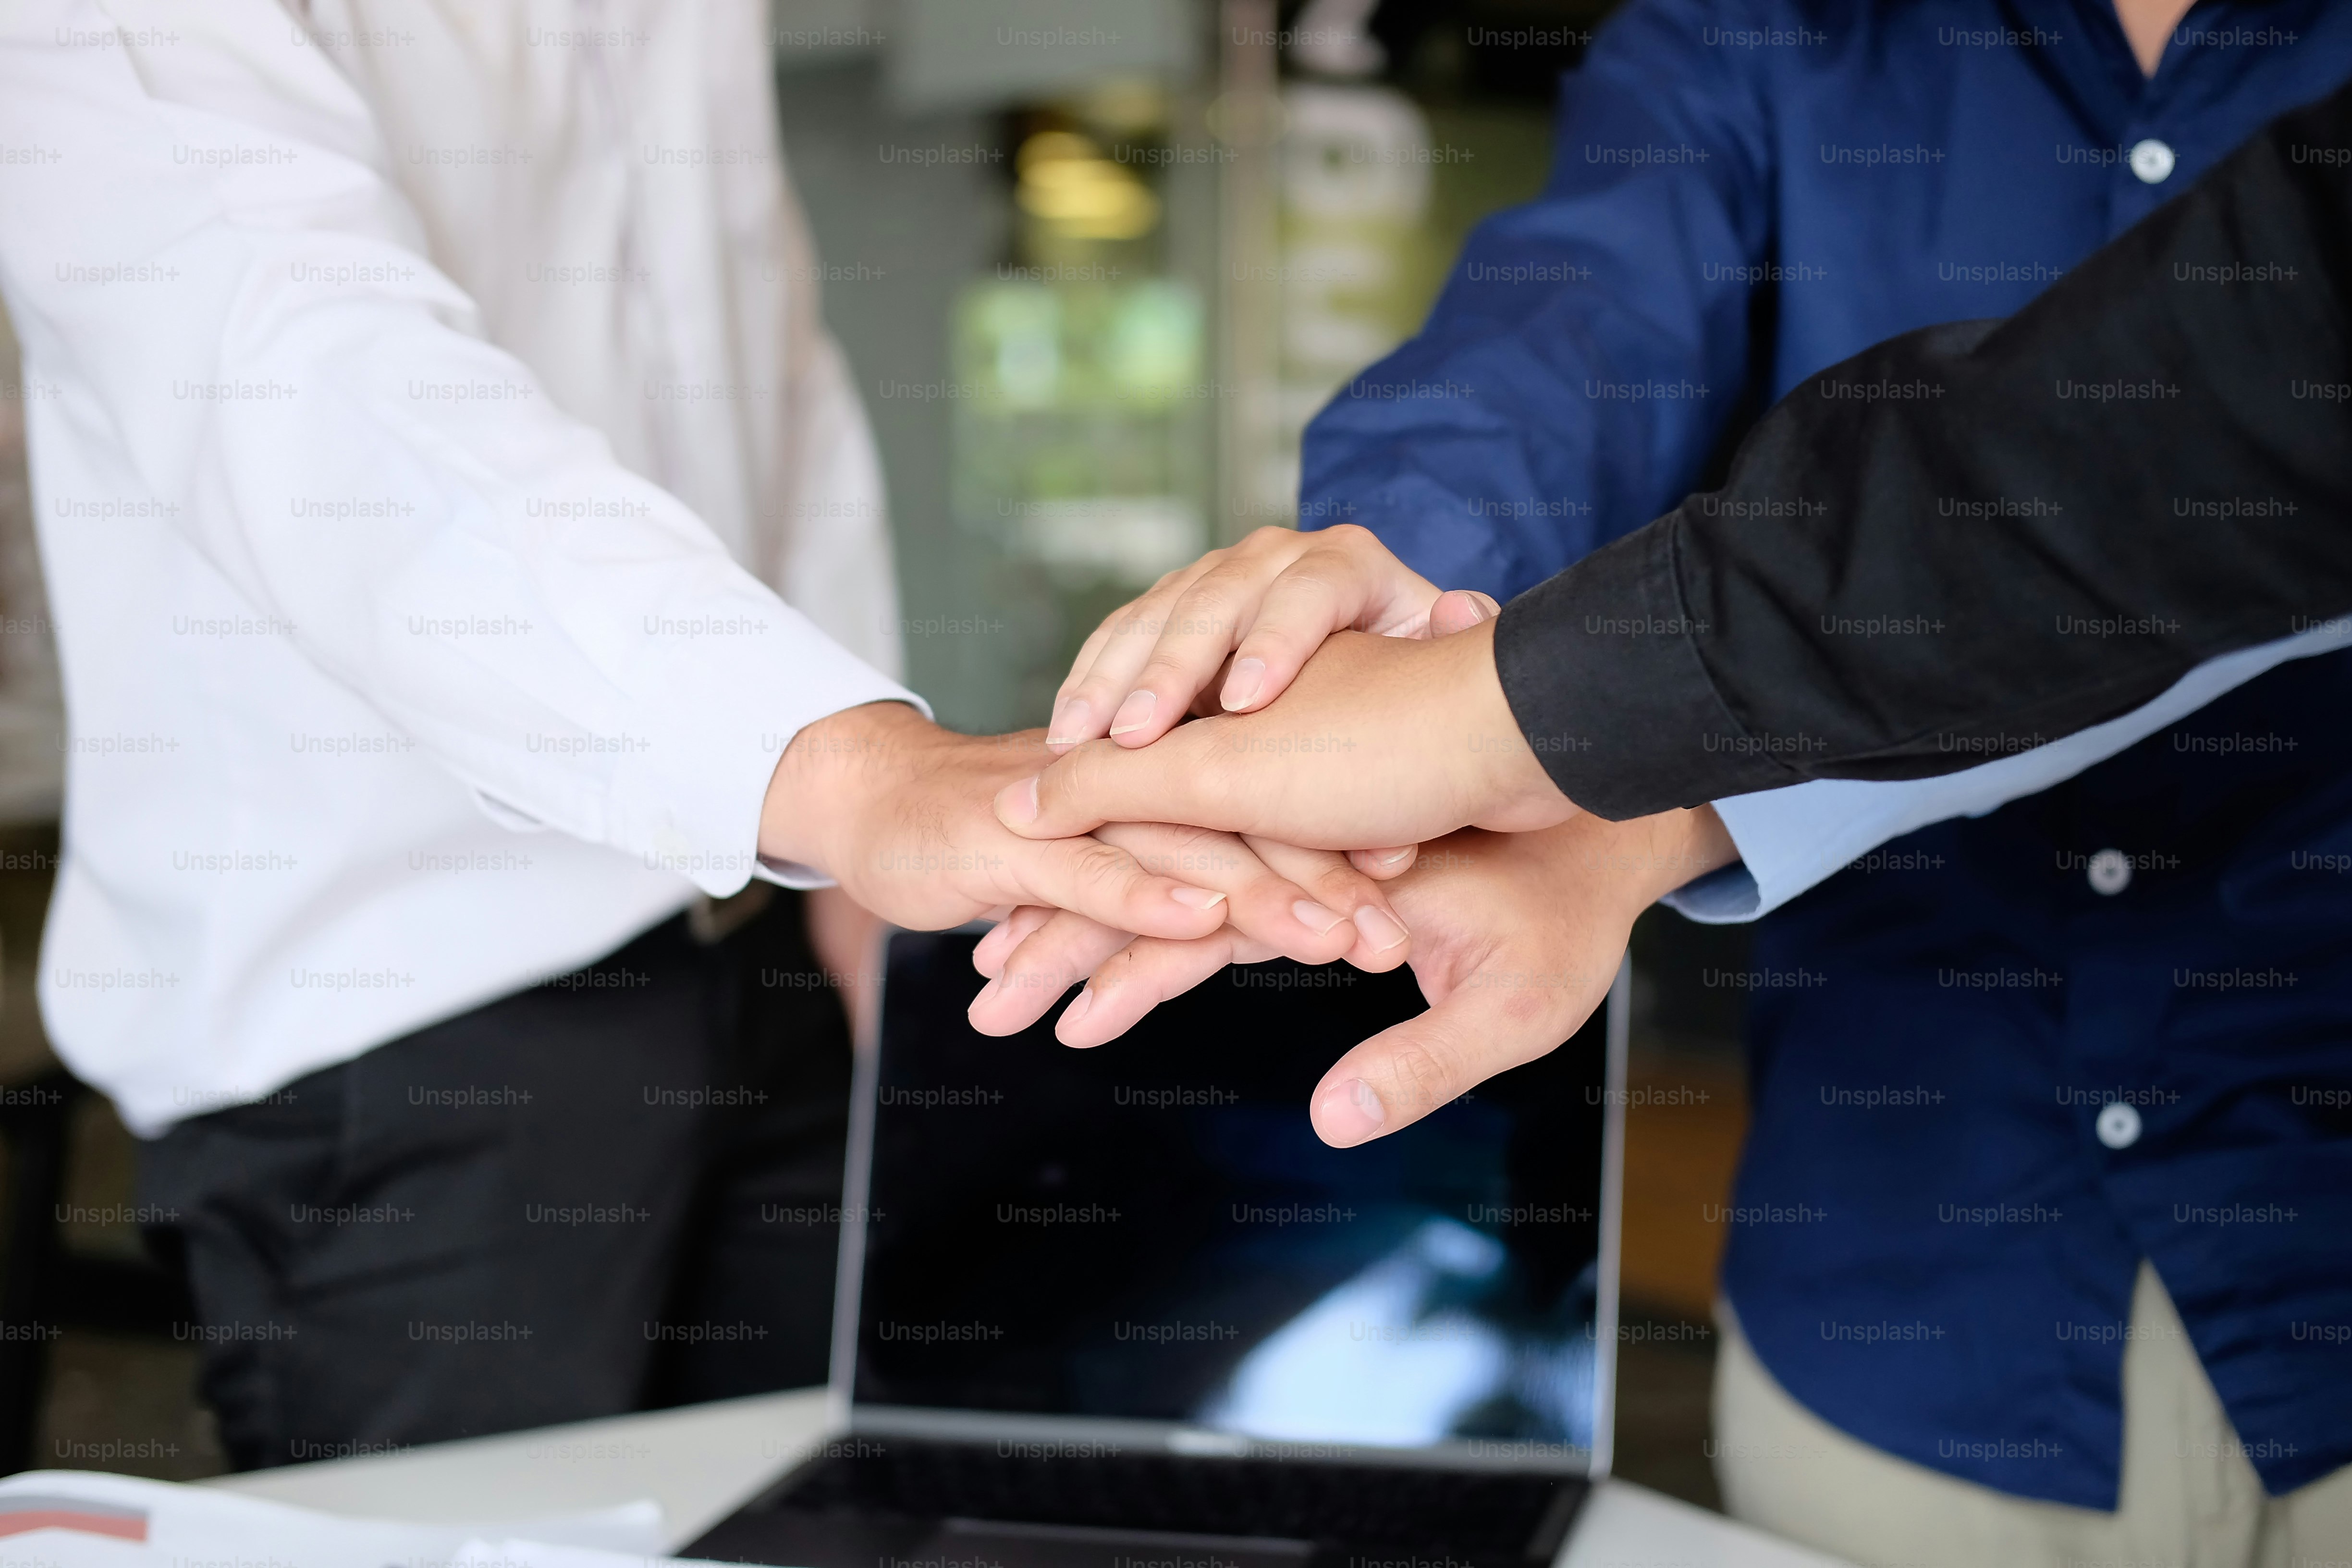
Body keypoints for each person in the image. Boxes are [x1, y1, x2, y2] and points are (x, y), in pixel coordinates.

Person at [992, 9, 2352, 1563]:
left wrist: (1540, 747)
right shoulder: (1763, 27)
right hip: (1918, 1288)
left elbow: (2153, 478)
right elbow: (1576, 317)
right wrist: (1390, 591)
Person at [0, 0, 1410, 1466]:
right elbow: (301, 383)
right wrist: (857, 775)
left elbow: (755, 370)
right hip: (400, 1000)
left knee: (808, 1507)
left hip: (753, 933)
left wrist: (861, 831)